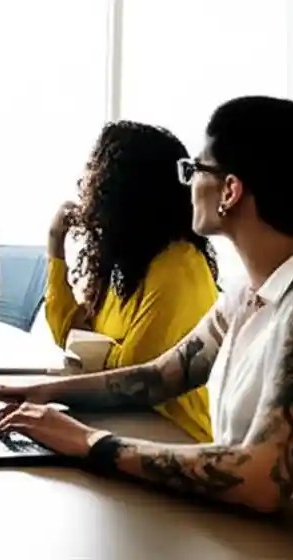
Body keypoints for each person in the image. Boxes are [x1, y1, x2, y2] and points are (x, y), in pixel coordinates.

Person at [0, 96, 293, 558]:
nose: (188, 183)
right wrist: (41, 394)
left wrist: (87, 442)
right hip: (255, 533)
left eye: (195, 169)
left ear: (230, 190)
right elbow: (158, 377)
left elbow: (260, 478)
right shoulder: (250, 293)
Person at [46, 121, 219, 441]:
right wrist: (56, 247)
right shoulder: (125, 259)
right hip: (118, 423)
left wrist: (92, 355)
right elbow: (68, 336)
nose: (89, 191)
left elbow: (129, 377)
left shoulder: (178, 266)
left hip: (172, 439)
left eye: (97, 178)